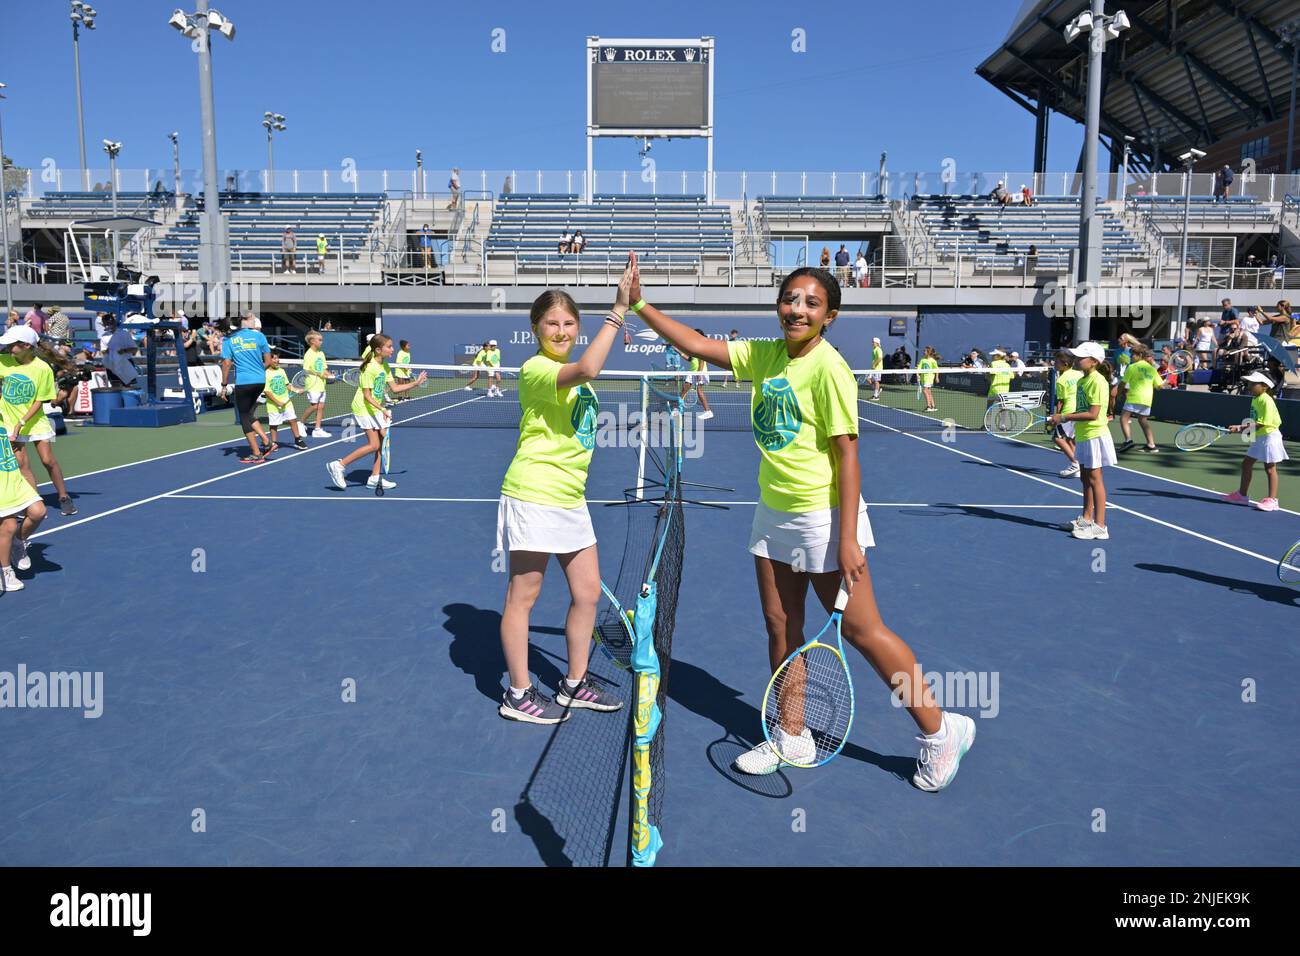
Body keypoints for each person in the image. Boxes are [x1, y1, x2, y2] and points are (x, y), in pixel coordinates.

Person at [626, 257, 972, 788]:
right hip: (774, 512)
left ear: (830, 315)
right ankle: (791, 734)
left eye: (811, 303)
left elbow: (848, 455)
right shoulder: (765, 356)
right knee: (781, 625)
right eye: (791, 299)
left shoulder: (829, 368)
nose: (797, 309)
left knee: (863, 630)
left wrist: (849, 536)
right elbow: (697, 346)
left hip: (824, 517)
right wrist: (639, 304)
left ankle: (939, 729)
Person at [496, 264, 637, 724]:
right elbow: (591, 364)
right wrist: (619, 310)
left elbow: (585, 369)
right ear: (536, 328)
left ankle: (573, 684)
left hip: (570, 499)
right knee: (524, 595)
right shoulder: (538, 368)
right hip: (535, 493)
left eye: (569, 323)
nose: (561, 331)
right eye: (552, 323)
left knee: (587, 592)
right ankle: (517, 693)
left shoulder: (568, 369)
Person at [326, 335, 428, 493]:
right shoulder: (369, 368)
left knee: (382, 440)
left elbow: (394, 388)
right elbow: (367, 396)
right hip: (364, 408)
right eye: (389, 346)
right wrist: (383, 410)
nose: (392, 349)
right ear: (379, 349)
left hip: (375, 408)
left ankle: (374, 478)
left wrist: (415, 383)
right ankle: (338, 465)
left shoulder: (385, 366)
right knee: (374, 444)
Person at [0, 325, 76, 516]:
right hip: (9, 422)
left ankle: (64, 496)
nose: (8, 348)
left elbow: (39, 401)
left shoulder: (43, 369)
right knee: (21, 465)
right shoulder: (4, 361)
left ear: (26, 345)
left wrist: (22, 422)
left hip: (35, 421)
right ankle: (33, 505)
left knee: (48, 460)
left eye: (12, 345)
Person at [1049, 342, 1115, 540]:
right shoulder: (1082, 380)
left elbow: (1093, 414)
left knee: (1095, 480)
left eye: (1081, 357)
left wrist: (1065, 417)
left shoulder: (1098, 381)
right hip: (1084, 435)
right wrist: (1059, 416)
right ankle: (1086, 519)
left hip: (1095, 435)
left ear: (1094, 361)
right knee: (1085, 479)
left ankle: (1101, 526)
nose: (1077, 360)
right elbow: (1081, 410)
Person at [1223, 371, 1287, 511]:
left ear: (1264, 386)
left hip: (1270, 436)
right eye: (1249, 383)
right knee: (1246, 464)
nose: (1250, 386)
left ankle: (1273, 500)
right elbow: (1254, 420)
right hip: (1260, 436)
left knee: (1270, 468)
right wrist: (1246, 432)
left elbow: (1263, 423)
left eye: (1253, 383)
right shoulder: (1255, 399)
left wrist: (1240, 427)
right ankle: (1242, 495)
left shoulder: (1266, 400)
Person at [0, 418, 46, 594]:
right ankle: (5, 573)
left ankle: (17, 543)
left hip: (13, 477)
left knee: (38, 511)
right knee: (9, 525)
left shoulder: (4, 416)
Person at [220, 313, 274, 463]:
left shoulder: (228, 341)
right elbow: (268, 361)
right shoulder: (258, 336)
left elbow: (226, 364)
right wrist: (256, 371)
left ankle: (256, 453)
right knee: (249, 412)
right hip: (260, 380)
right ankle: (266, 441)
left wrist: (224, 385)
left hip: (244, 382)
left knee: (243, 416)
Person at [1117, 345, 1162, 453]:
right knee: (1143, 420)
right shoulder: (1152, 369)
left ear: (1140, 355)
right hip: (1147, 399)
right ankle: (1151, 445)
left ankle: (1128, 441)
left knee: (1123, 418)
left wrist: (1118, 393)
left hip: (1134, 397)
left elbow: (1123, 383)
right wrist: (1164, 383)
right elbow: (1160, 387)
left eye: (1133, 354)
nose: (1131, 356)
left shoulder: (1132, 367)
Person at [261, 349, 309, 452]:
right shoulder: (265, 373)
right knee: (274, 425)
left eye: (277, 358)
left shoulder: (281, 371)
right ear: (268, 360)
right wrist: (277, 402)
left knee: (293, 420)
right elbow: (267, 391)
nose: (277, 360)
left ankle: (298, 439)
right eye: (274, 358)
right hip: (273, 404)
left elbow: (287, 385)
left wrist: (296, 390)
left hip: (287, 403)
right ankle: (274, 443)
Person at [1052, 350, 1082, 477]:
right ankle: (1079, 467)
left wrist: (1056, 417)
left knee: (1057, 438)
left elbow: (1061, 401)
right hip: (1079, 411)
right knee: (1070, 440)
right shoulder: (1079, 374)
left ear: (1064, 363)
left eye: (1057, 361)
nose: (1054, 363)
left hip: (1067, 413)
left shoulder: (1061, 380)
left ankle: (1075, 463)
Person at [299, 331, 334, 437]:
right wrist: (319, 374)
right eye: (319, 340)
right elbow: (306, 370)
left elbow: (324, 369)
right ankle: (300, 423)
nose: (321, 342)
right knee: (314, 406)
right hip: (312, 384)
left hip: (321, 384)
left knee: (321, 406)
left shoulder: (321, 353)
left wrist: (329, 375)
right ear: (312, 341)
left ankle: (317, 429)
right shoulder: (308, 354)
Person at [680, 332, 714, 420]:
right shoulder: (694, 346)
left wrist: (699, 373)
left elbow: (701, 361)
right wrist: (679, 352)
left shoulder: (701, 346)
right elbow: (690, 359)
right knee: (684, 389)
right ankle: (679, 409)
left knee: (699, 390)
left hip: (700, 371)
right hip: (692, 372)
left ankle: (708, 411)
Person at [102, 317, 141, 387]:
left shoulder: (125, 334)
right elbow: (103, 351)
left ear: (114, 323)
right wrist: (107, 351)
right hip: (112, 364)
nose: (108, 325)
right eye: (106, 324)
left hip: (126, 363)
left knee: (127, 386)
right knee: (114, 386)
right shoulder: (104, 336)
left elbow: (134, 349)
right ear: (104, 325)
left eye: (110, 323)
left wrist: (124, 351)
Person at [918, 345, 939, 412]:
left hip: (929, 378)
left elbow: (936, 370)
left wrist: (937, 377)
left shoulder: (933, 361)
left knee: (924, 390)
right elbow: (919, 368)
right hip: (923, 378)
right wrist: (917, 375)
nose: (924, 352)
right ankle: (933, 406)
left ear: (928, 352)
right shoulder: (922, 360)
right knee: (929, 392)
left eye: (925, 351)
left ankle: (928, 406)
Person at [867, 336, 884, 400]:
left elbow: (880, 358)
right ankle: (877, 391)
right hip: (873, 368)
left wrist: (874, 364)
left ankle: (876, 396)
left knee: (876, 381)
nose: (872, 343)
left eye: (873, 342)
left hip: (878, 369)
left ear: (877, 343)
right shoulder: (874, 349)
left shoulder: (878, 349)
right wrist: (873, 366)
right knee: (868, 379)